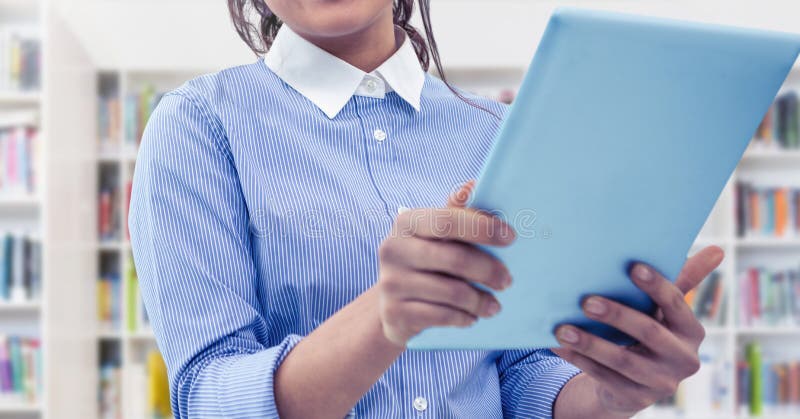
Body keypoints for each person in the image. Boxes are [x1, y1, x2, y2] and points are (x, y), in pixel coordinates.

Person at [128, 0, 724, 417]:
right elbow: (209, 400)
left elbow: (518, 372)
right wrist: (382, 320)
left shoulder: (495, 132)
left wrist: (611, 393)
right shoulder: (200, 126)